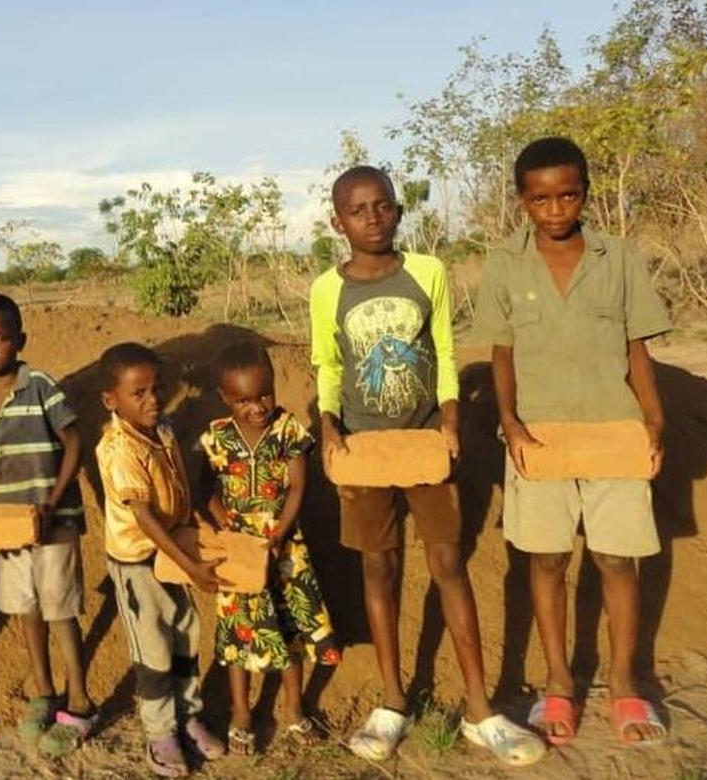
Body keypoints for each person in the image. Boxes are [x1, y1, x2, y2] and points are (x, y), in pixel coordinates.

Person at [311, 167, 544, 766]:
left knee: (448, 563)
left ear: (397, 209)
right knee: (379, 566)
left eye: (383, 205)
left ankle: (480, 710)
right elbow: (329, 365)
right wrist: (329, 424)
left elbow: (442, 349)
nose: (373, 218)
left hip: (424, 442)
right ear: (338, 222)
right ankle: (393, 702)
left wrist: (450, 416)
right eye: (358, 210)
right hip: (364, 448)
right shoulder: (326, 290)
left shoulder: (427, 272)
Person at [474, 137, 671, 747]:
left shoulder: (619, 258)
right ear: (521, 201)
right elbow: (502, 352)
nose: (555, 209)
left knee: (617, 558)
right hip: (539, 435)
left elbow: (636, 346)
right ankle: (559, 683)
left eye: (568, 196)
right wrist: (510, 423)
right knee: (547, 559)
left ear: (585, 192)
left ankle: (625, 684)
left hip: (613, 429)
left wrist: (653, 420)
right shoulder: (504, 265)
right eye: (541, 200)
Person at [0, 292, 97, 756]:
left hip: (54, 523)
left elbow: (73, 442)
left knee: (60, 609)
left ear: (20, 340)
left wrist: (54, 502)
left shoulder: (38, 384)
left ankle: (80, 703)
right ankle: (44, 692)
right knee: (27, 609)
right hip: (9, 528)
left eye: (0, 337)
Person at [198, 340, 340, 755]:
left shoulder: (287, 430)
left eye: (263, 395)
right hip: (239, 552)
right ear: (225, 397)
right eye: (243, 400)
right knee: (238, 635)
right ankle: (242, 713)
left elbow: (297, 487)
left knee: (289, 630)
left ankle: (294, 708)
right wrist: (225, 524)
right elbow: (204, 487)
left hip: (284, 548)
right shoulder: (217, 437)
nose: (257, 407)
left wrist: (278, 535)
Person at [94, 342, 226, 777]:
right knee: (153, 651)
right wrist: (190, 566)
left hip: (172, 550)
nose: (153, 399)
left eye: (157, 389)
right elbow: (145, 517)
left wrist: (195, 524)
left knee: (185, 636)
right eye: (139, 393)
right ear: (111, 400)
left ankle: (189, 716)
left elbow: (176, 486)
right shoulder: (119, 449)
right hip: (139, 564)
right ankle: (161, 734)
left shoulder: (162, 428)